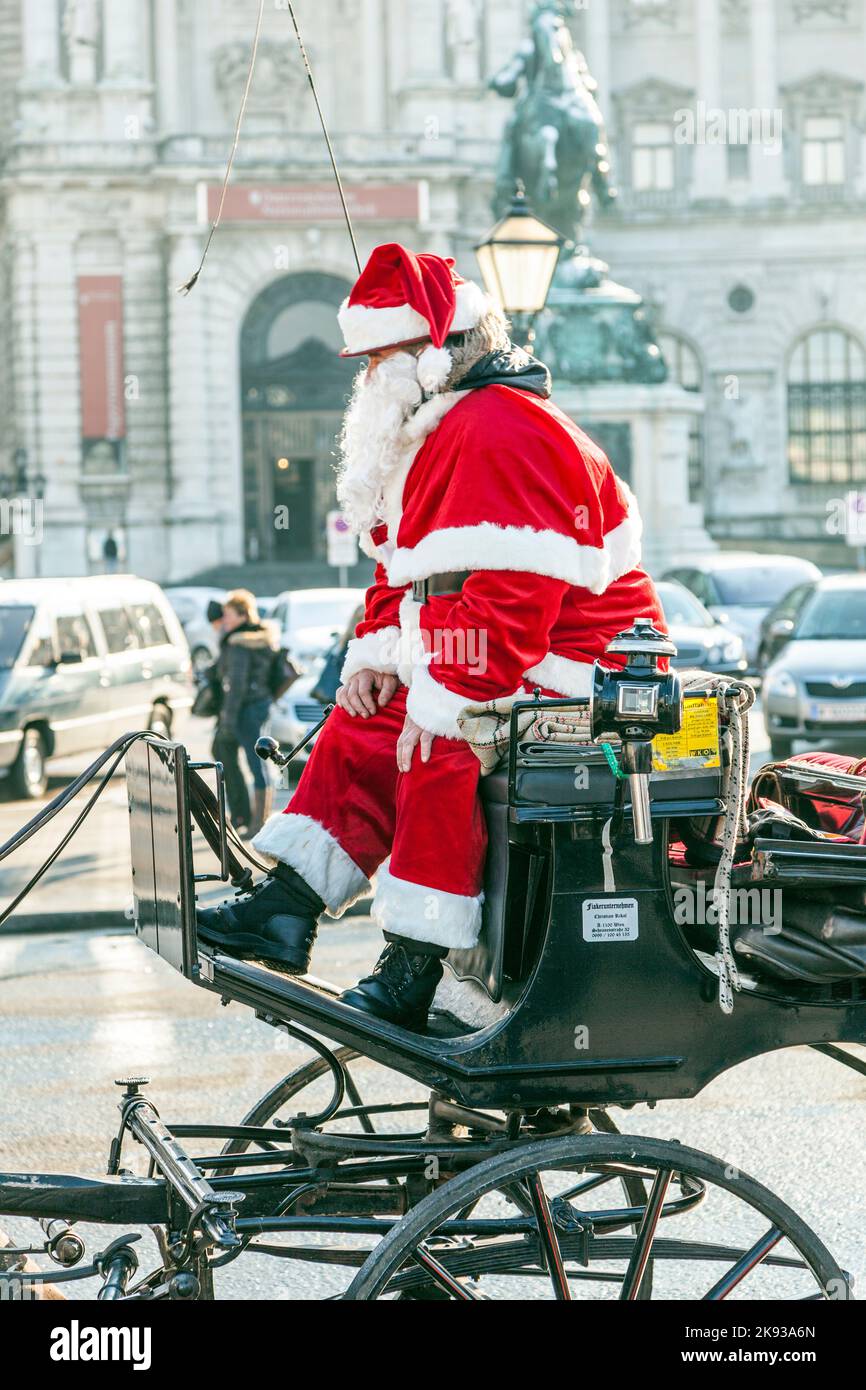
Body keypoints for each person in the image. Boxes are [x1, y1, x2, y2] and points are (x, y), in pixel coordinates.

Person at [198, 243, 666, 1030]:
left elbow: (514, 605)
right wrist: (380, 659)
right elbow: (401, 569)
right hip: (498, 653)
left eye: (380, 359)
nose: (367, 378)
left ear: (431, 353)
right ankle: (288, 905)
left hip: (583, 670)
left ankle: (416, 963)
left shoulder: (503, 432)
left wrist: (445, 701)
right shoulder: (439, 425)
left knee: (438, 747)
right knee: (365, 719)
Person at [211, 590, 277, 837]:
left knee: (255, 764)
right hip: (260, 705)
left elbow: (236, 685)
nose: (225, 620)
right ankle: (258, 819)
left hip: (245, 708)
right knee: (258, 762)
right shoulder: (261, 638)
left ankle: (258, 824)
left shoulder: (239, 643)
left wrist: (228, 718)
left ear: (242, 614)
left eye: (228, 615)